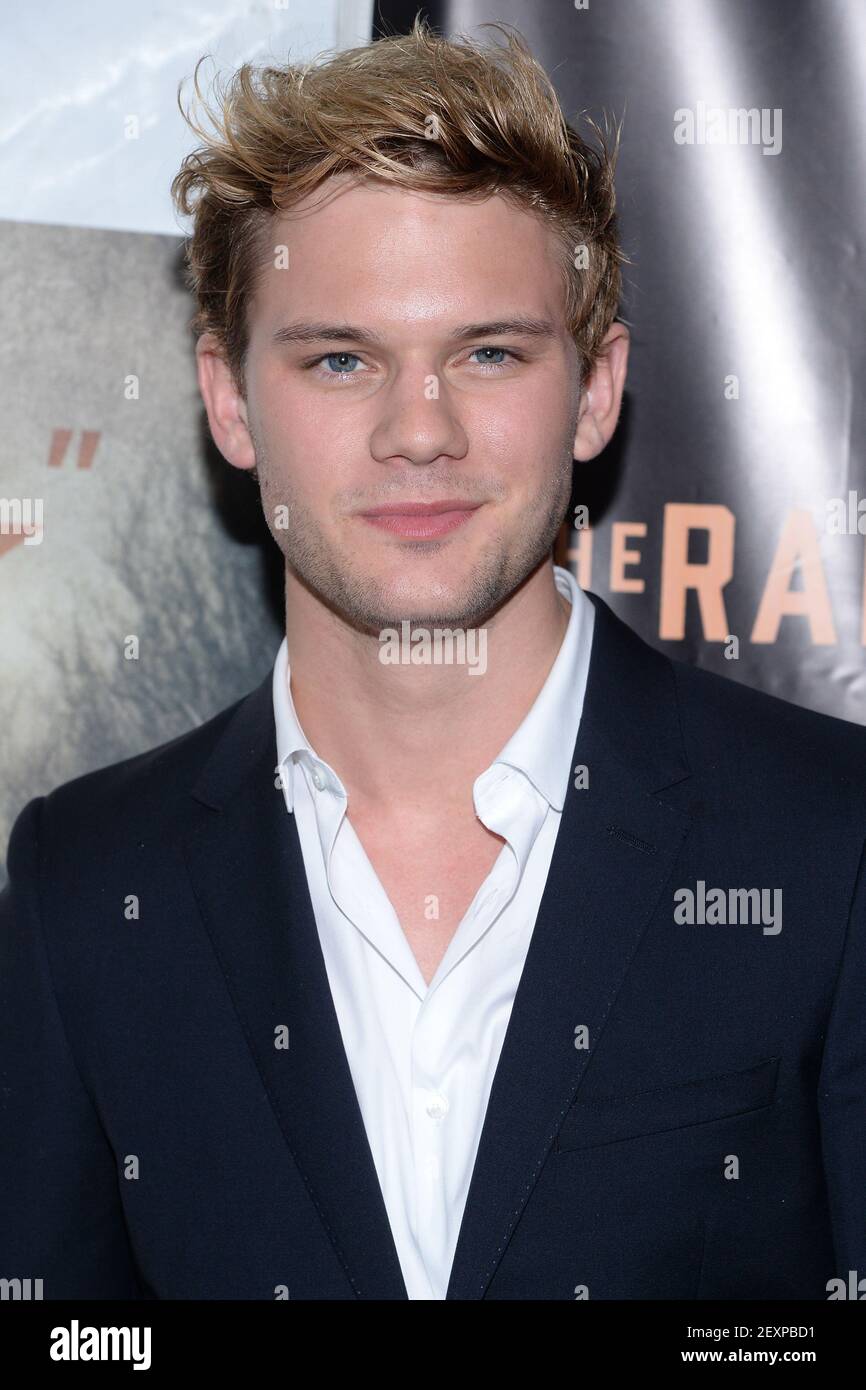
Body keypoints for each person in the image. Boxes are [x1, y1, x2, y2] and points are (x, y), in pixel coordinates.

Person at [1, 17, 864, 1302]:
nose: (421, 430)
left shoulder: (828, 837)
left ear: (595, 389)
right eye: (341, 359)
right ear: (230, 402)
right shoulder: (84, 881)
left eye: (489, 352)